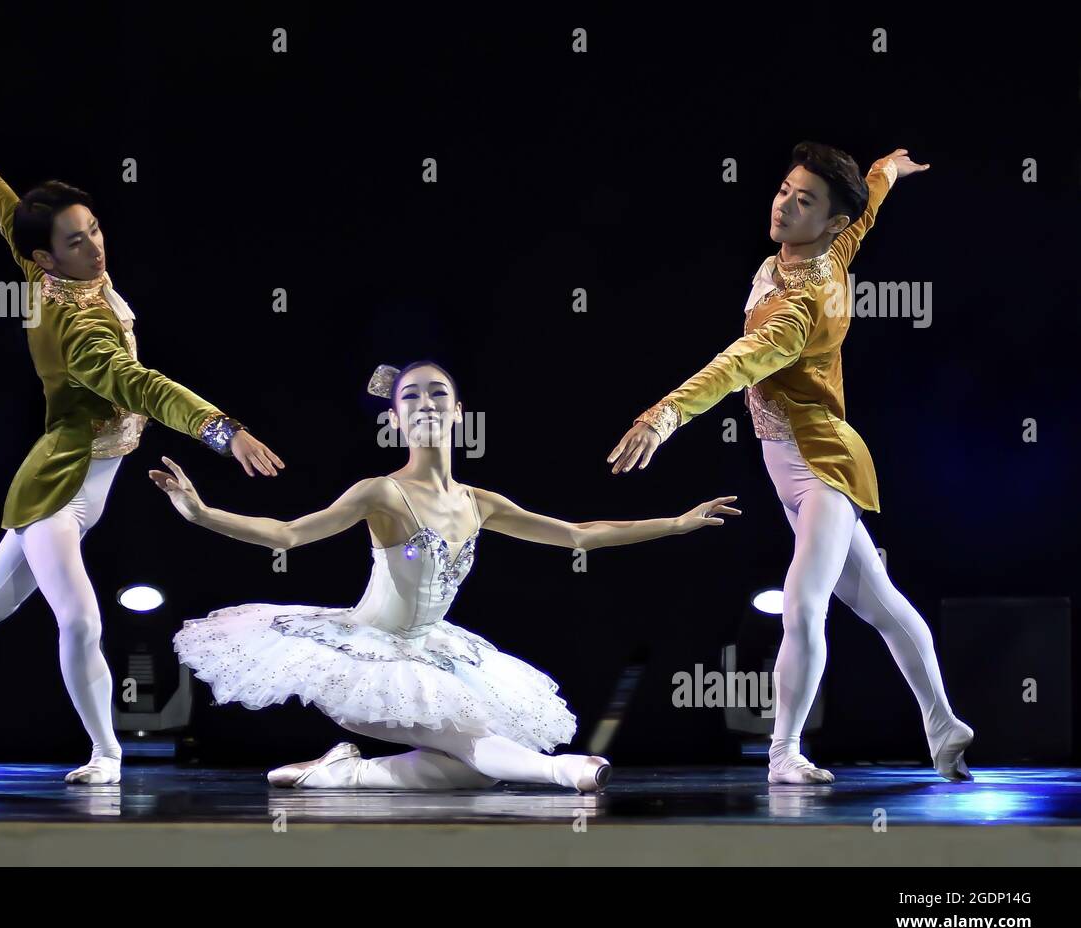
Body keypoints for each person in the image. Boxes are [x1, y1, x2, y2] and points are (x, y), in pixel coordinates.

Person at [0, 144, 285, 785]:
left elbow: (4, 210)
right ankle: (107, 754)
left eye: (93, 229)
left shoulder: (46, 266)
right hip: (60, 489)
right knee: (79, 616)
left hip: (87, 485)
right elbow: (141, 386)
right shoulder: (77, 326)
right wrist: (222, 431)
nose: (95, 247)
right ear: (46, 258)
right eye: (76, 242)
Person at [154, 360, 739, 791]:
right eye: (411, 395)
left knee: (472, 773)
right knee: (473, 746)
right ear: (396, 416)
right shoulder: (380, 492)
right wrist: (202, 513)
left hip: (434, 654)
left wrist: (676, 523)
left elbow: (578, 534)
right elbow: (288, 534)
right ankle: (566, 772)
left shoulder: (479, 501)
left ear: (459, 411)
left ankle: (345, 774)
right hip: (365, 660)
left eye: (439, 393)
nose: (427, 402)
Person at [607, 143, 974, 784]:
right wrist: (886, 169)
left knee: (804, 606)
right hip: (792, 468)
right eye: (784, 189)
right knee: (882, 605)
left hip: (822, 467)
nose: (783, 204)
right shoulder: (830, 243)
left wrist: (665, 415)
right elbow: (866, 211)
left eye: (803, 201)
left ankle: (783, 752)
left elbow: (735, 365)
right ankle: (944, 726)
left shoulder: (800, 307)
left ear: (826, 221)